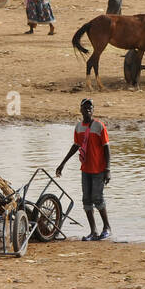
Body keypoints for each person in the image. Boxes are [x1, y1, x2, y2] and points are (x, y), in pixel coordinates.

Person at [55, 99, 111, 240]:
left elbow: (107, 148)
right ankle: (93, 231)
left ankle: (107, 227)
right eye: (85, 108)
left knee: (98, 199)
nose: (87, 110)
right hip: (85, 169)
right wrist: (63, 163)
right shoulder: (78, 127)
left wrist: (108, 169)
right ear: (80, 110)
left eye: (90, 108)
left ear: (93, 110)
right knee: (86, 200)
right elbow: (76, 146)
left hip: (98, 169)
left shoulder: (99, 126)